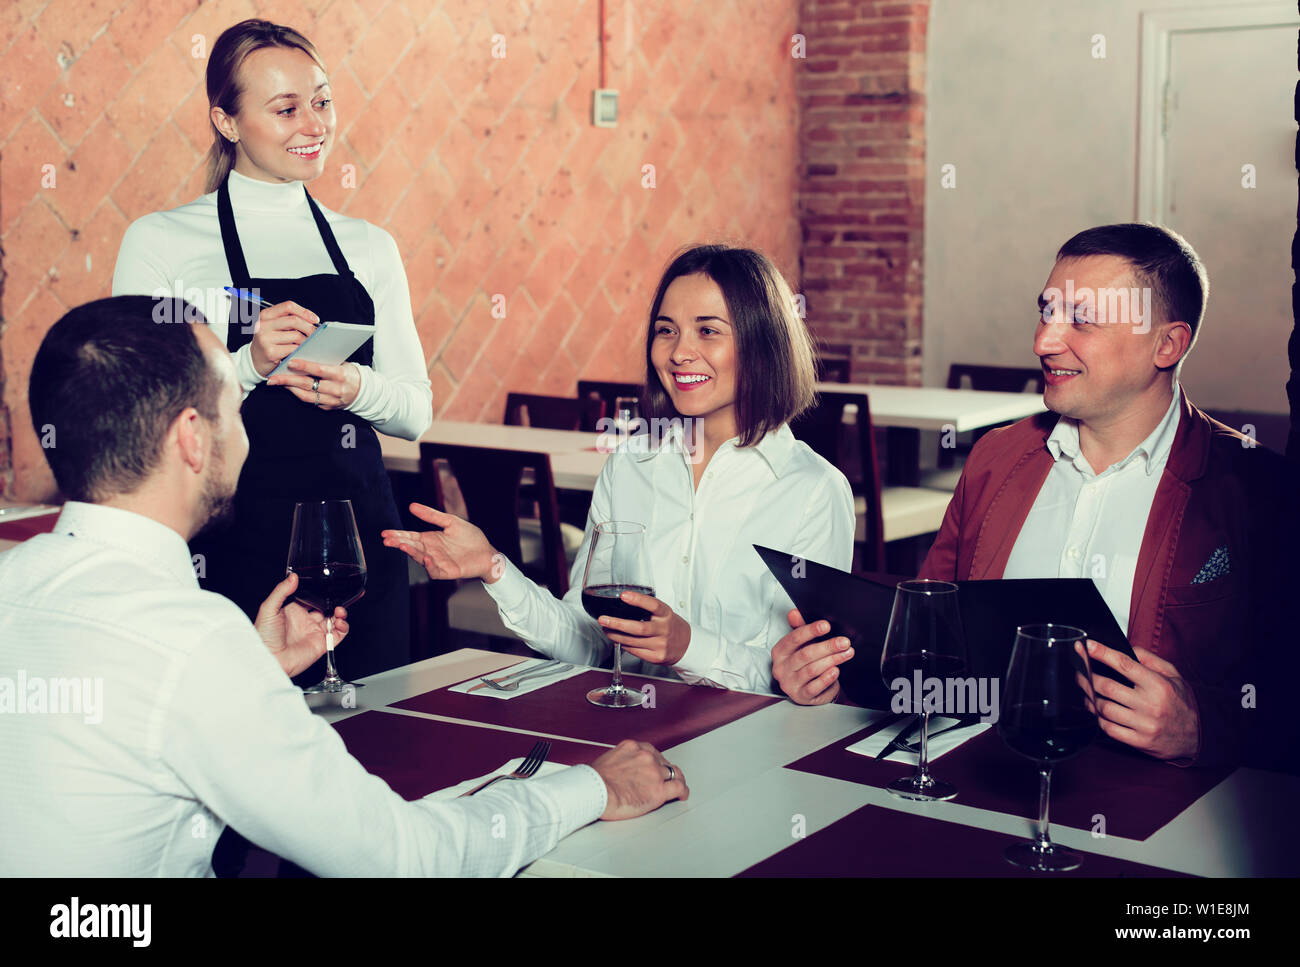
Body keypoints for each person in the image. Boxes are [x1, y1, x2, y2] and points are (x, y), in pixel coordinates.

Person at [0, 296, 687, 877]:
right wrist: (592, 786)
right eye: (235, 407)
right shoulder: (192, 642)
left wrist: (253, 671)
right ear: (192, 439)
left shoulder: (15, 578)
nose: (245, 432)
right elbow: (401, 858)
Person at [776, 223, 1295, 770]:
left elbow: (1286, 704)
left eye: (1081, 320)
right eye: (1047, 311)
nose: (1043, 342)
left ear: (1166, 344)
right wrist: (834, 677)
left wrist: (1202, 728)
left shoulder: (1256, 489)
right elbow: (931, 657)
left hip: (1159, 823)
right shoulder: (995, 458)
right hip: (979, 791)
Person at [384, 245, 857, 693]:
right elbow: (588, 643)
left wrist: (686, 647)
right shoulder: (630, 466)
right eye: (666, 329)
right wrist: (493, 567)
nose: (678, 352)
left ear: (763, 342)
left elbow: (789, 678)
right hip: (629, 735)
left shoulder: (814, 491)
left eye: (708, 331)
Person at [111, 19, 430, 683]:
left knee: (375, 747)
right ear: (225, 121)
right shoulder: (162, 241)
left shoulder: (369, 245)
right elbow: (137, 412)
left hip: (358, 545)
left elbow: (415, 411)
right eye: (285, 109)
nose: (313, 124)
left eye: (322, 100)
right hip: (235, 540)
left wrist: (355, 389)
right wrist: (247, 366)